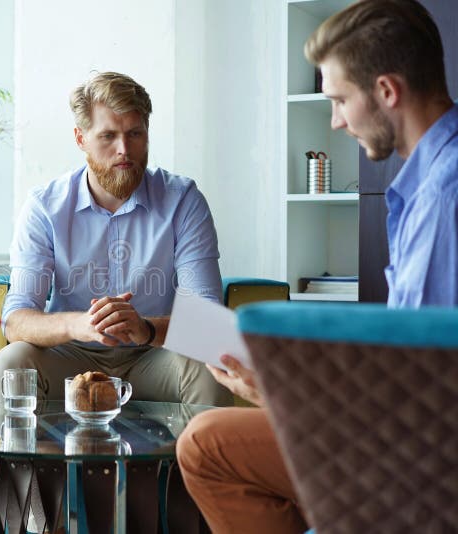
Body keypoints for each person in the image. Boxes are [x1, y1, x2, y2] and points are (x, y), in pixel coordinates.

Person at [175, 1, 458, 533]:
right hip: (412, 434)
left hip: (425, 462)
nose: (335, 121)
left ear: (387, 91)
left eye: (339, 100)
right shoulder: (431, 181)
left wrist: (286, 393)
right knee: (214, 436)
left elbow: (422, 402)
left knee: (206, 444)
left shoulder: (442, 199)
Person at [0, 71, 232, 407]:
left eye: (135, 133)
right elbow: (16, 320)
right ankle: (32, 462)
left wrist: (144, 328)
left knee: (211, 360)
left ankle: (194, 462)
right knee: (10, 363)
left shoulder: (182, 200)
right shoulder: (44, 207)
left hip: (153, 356)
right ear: (80, 138)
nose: (124, 150)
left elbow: (209, 323)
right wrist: (80, 325)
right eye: (108, 136)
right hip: (69, 357)